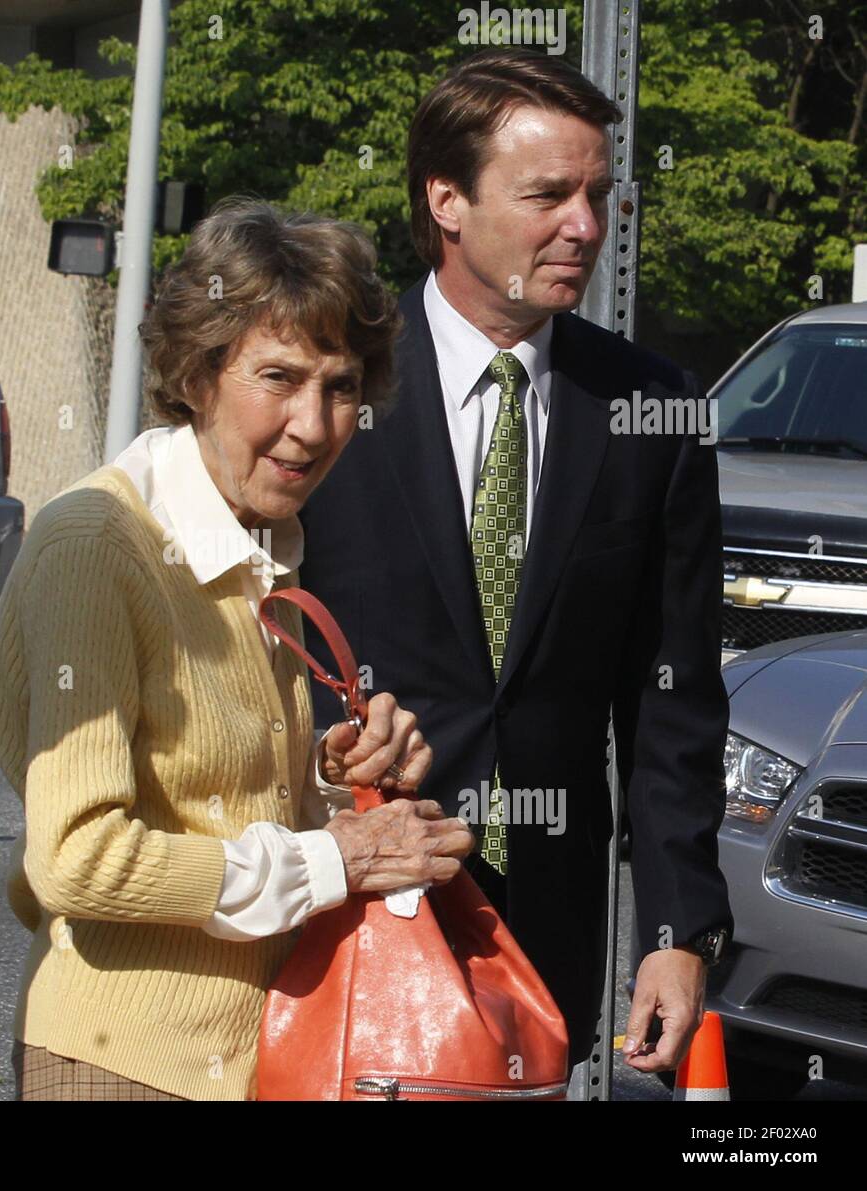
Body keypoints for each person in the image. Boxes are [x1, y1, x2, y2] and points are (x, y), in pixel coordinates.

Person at [298, 48, 734, 1084]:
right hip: (341, 912)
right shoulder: (321, 388)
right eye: (548, 194)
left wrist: (677, 930)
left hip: (544, 939)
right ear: (446, 200)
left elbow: (672, 702)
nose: (584, 225)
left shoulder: (650, 410)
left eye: (597, 194)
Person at [0, 198, 475, 1101]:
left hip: (264, 1059)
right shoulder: (98, 544)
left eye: (341, 387)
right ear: (198, 372)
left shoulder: (262, 538)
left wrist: (339, 778)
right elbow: (78, 857)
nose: (314, 423)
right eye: (280, 378)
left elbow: (219, 808)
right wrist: (343, 857)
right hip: (121, 1065)